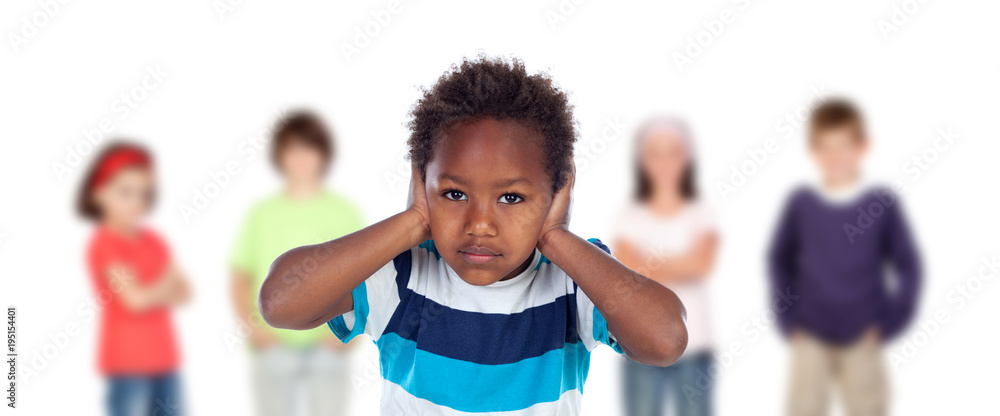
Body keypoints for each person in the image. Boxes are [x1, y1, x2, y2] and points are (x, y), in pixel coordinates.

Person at [257, 55, 689, 415]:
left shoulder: (574, 281)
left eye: (512, 198)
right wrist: (412, 222)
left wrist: (555, 237)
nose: (479, 223)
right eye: (454, 193)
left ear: (558, 191)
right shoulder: (402, 274)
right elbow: (280, 303)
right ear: (420, 182)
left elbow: (666, 340)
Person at [768, 99, 921, 416]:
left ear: (862, 146)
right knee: (804, 409)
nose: (834, 156)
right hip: (810, 331)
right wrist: (788, 317)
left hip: (863, 332)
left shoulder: (881, 203)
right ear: (813, 151)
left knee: (868, 408)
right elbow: (778, 259)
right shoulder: (802, 204)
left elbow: (909, 265)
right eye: (825, 147)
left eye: (843, 146)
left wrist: (891, 320)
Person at [230, 111, 364, 416]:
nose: (302, 158)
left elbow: (363, 275)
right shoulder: (261, 213)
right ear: (281, 155)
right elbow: (240, 277)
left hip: (329, 345)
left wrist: (343, 338)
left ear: (323, 155)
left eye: (310, 149)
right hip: (271, 345)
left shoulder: (344, 212)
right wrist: (256, 333)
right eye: (293, 149)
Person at [613, 118, 719, 416]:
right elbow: (624, 270)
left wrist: (648, 267)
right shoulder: (630, 214)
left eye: (673, 151)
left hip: (696, 344)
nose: (664, 162)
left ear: (686, 157)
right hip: (641, 342)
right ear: (642, 159)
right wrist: (679, 263)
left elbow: (702, 263)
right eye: (655, 152)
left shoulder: (700, 212)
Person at [78, 142, 191, 416]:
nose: (137, 203)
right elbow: (135, 301)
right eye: (125, 192)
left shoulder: (154, 240)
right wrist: (163, 287)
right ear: (98, 193)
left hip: (166, 361)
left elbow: (186, 292)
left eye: (144, 194)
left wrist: (150, 290)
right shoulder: (104, 244)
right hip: (127, 367)